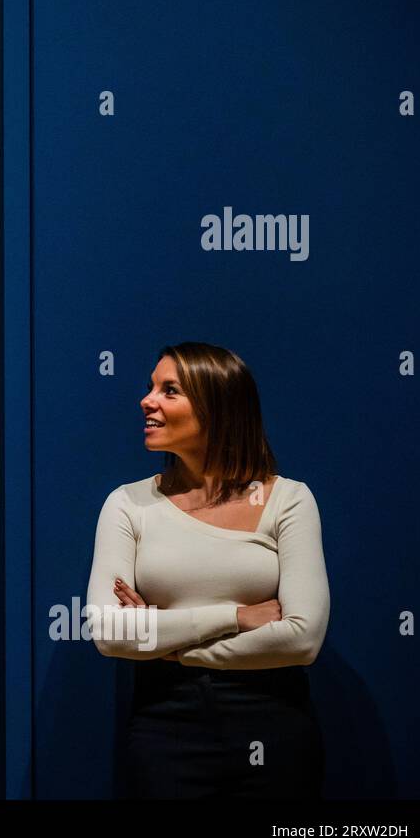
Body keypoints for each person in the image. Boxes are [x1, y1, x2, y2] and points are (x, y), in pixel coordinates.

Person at [84, 342, 330, 798]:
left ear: (218, 406)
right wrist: (237, 617)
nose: (147, 400)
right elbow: (109, 630)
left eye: (169, 390)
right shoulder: (128, 504)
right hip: (165, 727)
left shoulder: (288, 499)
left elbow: (302, 638)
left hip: (274, 726)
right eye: (151, 387)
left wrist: (169, 643)